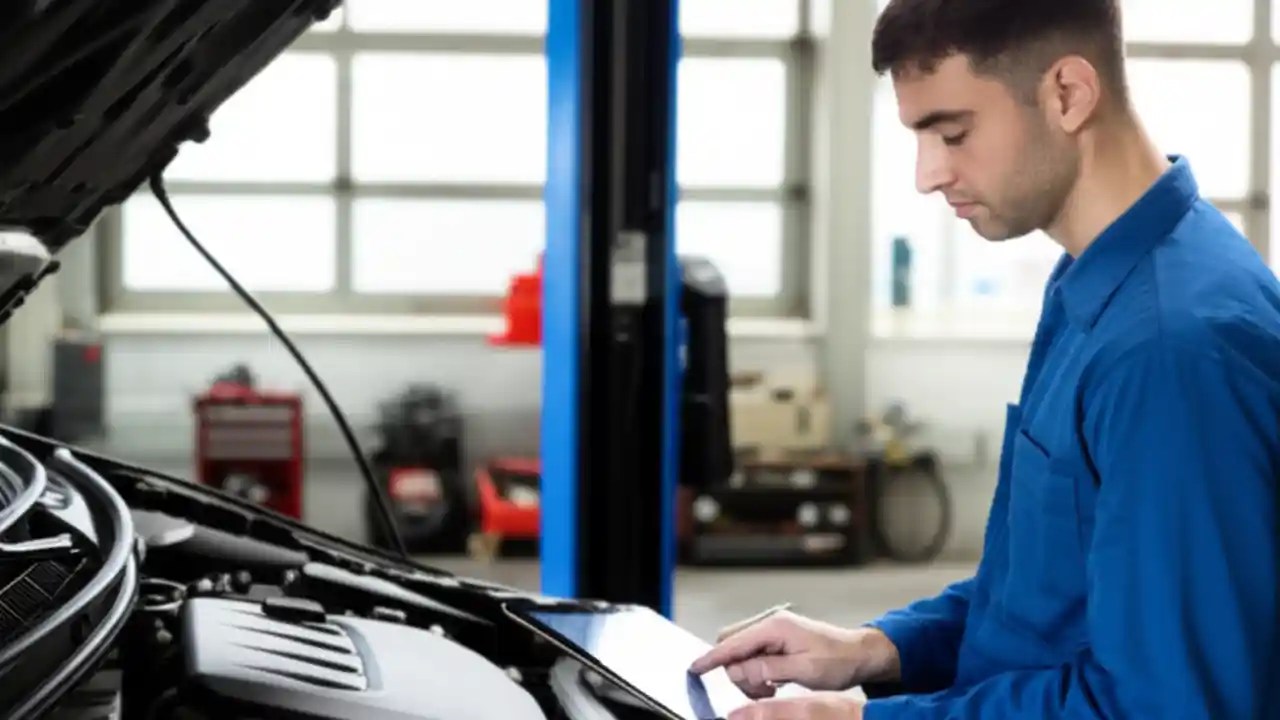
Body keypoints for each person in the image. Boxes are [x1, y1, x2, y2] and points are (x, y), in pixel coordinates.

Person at [690, 0, 1280, 718]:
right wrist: (878, 649)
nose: (928, 174)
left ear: (1068, 93)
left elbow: (1173, 707)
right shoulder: (1093, 284)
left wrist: (861, 719)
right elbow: (1051, 596)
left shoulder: (1172, 347)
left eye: (952, 133)